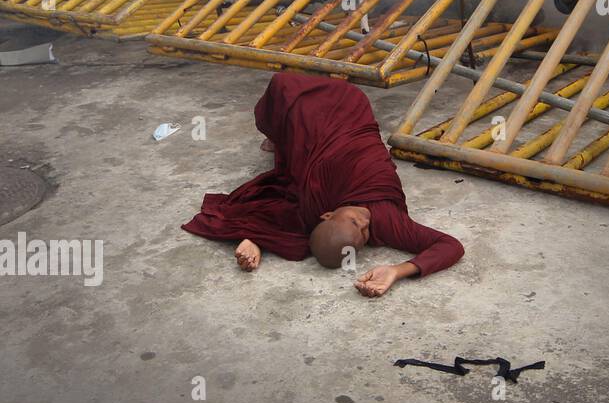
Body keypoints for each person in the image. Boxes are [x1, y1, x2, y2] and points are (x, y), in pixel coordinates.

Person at [182, 71, 463, 297]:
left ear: (327, 215)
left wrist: (255, 239)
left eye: (355, 223)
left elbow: (277, 218)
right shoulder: (385, 220)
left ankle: (282, 141)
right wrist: (397, 271)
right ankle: (283, 142)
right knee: (298, 131)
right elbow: (450, 246)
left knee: (285, 84)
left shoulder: (311, 209)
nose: (366, 222)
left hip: (336, 119)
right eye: (364, 234)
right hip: (349, 117)